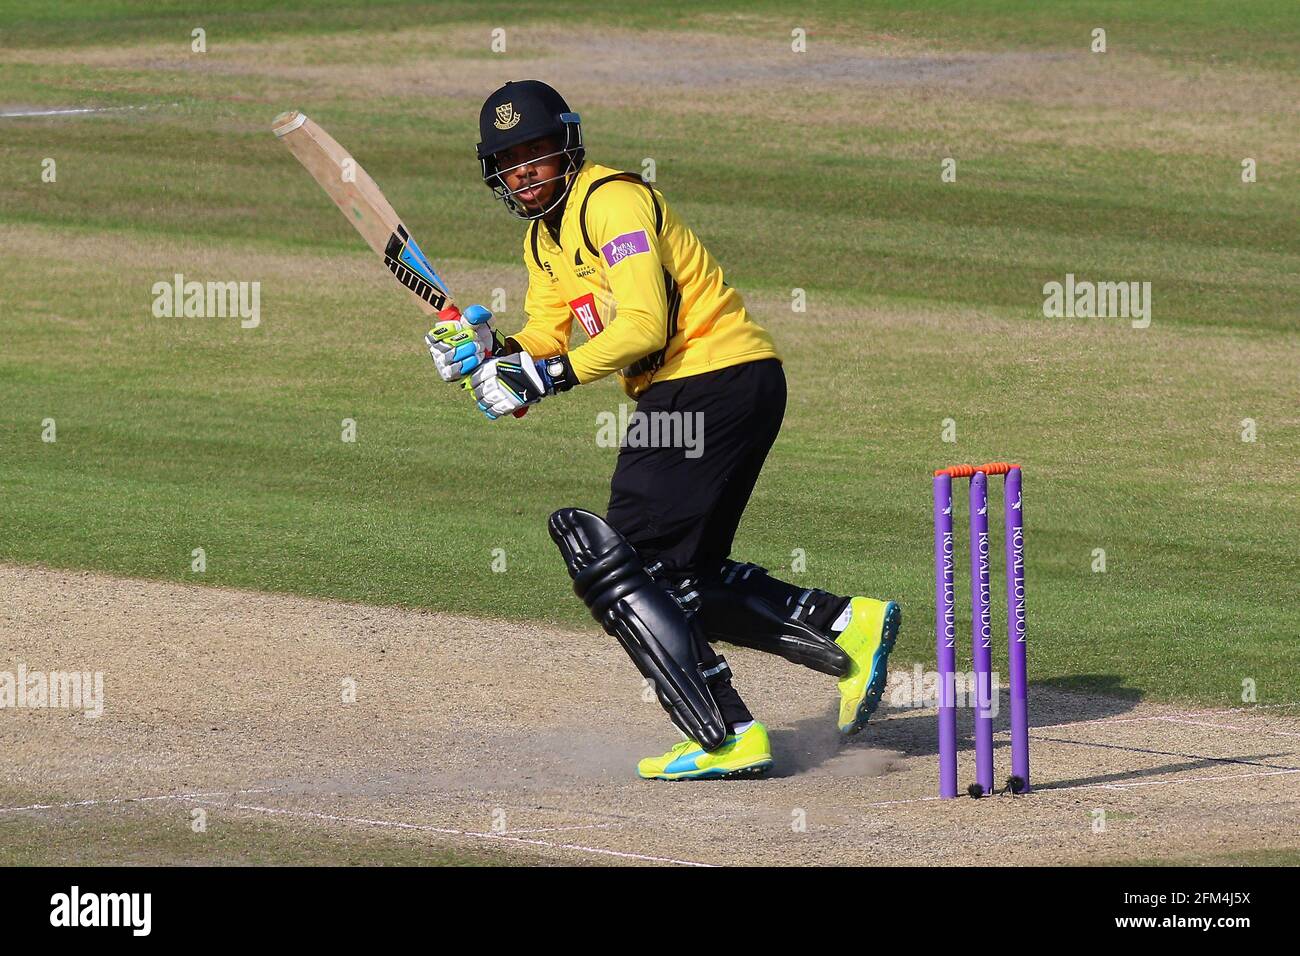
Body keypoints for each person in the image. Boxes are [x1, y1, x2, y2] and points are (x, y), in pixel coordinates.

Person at [425, 80, 900, 780]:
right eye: (510, 159)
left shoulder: (609, 200)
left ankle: (727, 734)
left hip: (710, 377)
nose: (525, 170)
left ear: (567, 146)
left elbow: (644, 324)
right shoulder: (543, 241)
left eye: (536, 152)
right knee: (673, 577)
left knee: (618, 563)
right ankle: (842, 626)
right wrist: (489, 356)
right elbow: (545, 342)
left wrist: (544, 378)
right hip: (713, 387)